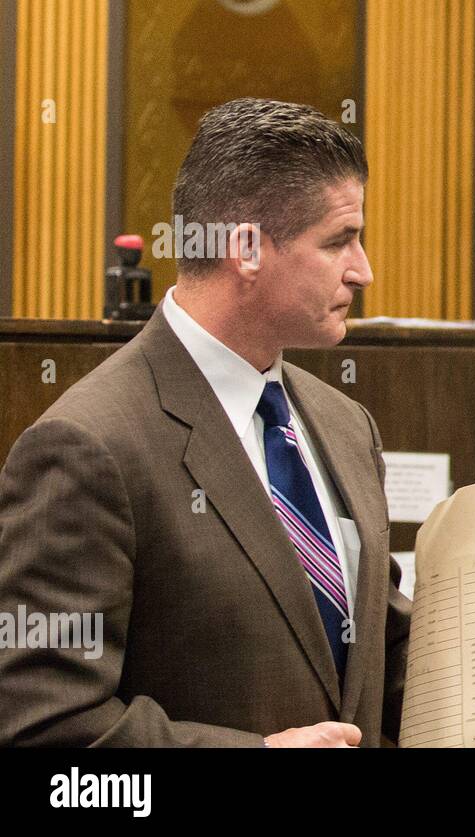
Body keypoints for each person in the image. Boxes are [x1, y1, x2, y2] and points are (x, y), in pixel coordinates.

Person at [0, 98, 410, 747]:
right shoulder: (85, 445)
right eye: (339, 240)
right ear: (245, 247)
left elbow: (382, 648)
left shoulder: (346, 424)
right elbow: (40, 722)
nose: (363, 270)